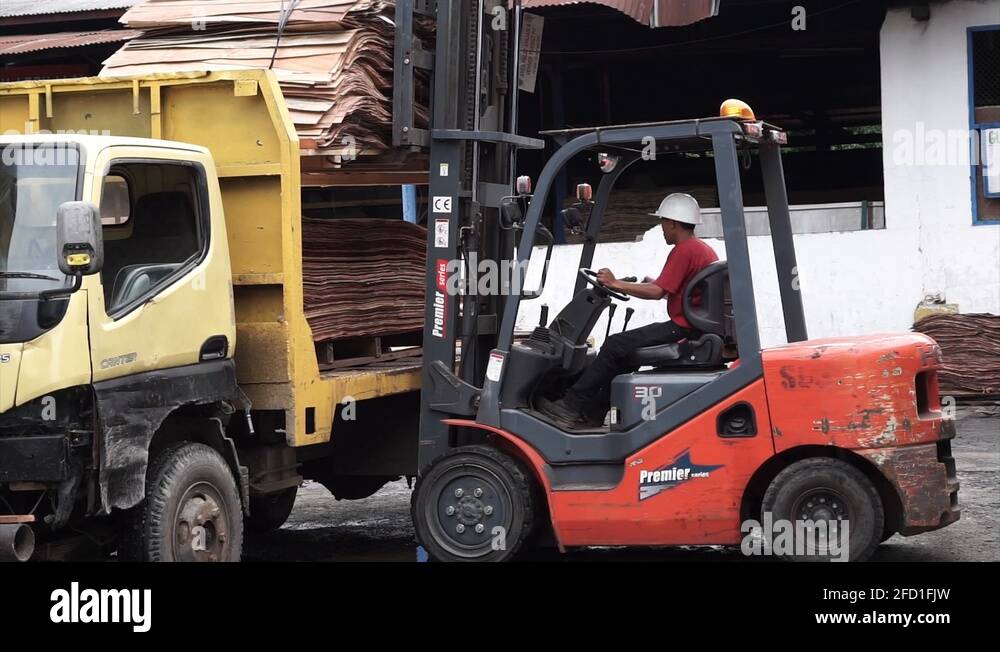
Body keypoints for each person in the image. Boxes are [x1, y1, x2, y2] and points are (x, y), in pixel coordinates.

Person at [537, 192, 719, 427]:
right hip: (690, 327)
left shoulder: (684, 250)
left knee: (615, 344)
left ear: (673, 223)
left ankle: (570, 404)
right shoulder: (700, 249)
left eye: (663, 222)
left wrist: (615, 283)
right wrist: (637, 283)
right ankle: (591, 414)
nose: (662, 228)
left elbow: (657, 292)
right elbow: (672, 287)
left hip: (682, 328)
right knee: (624, 354)